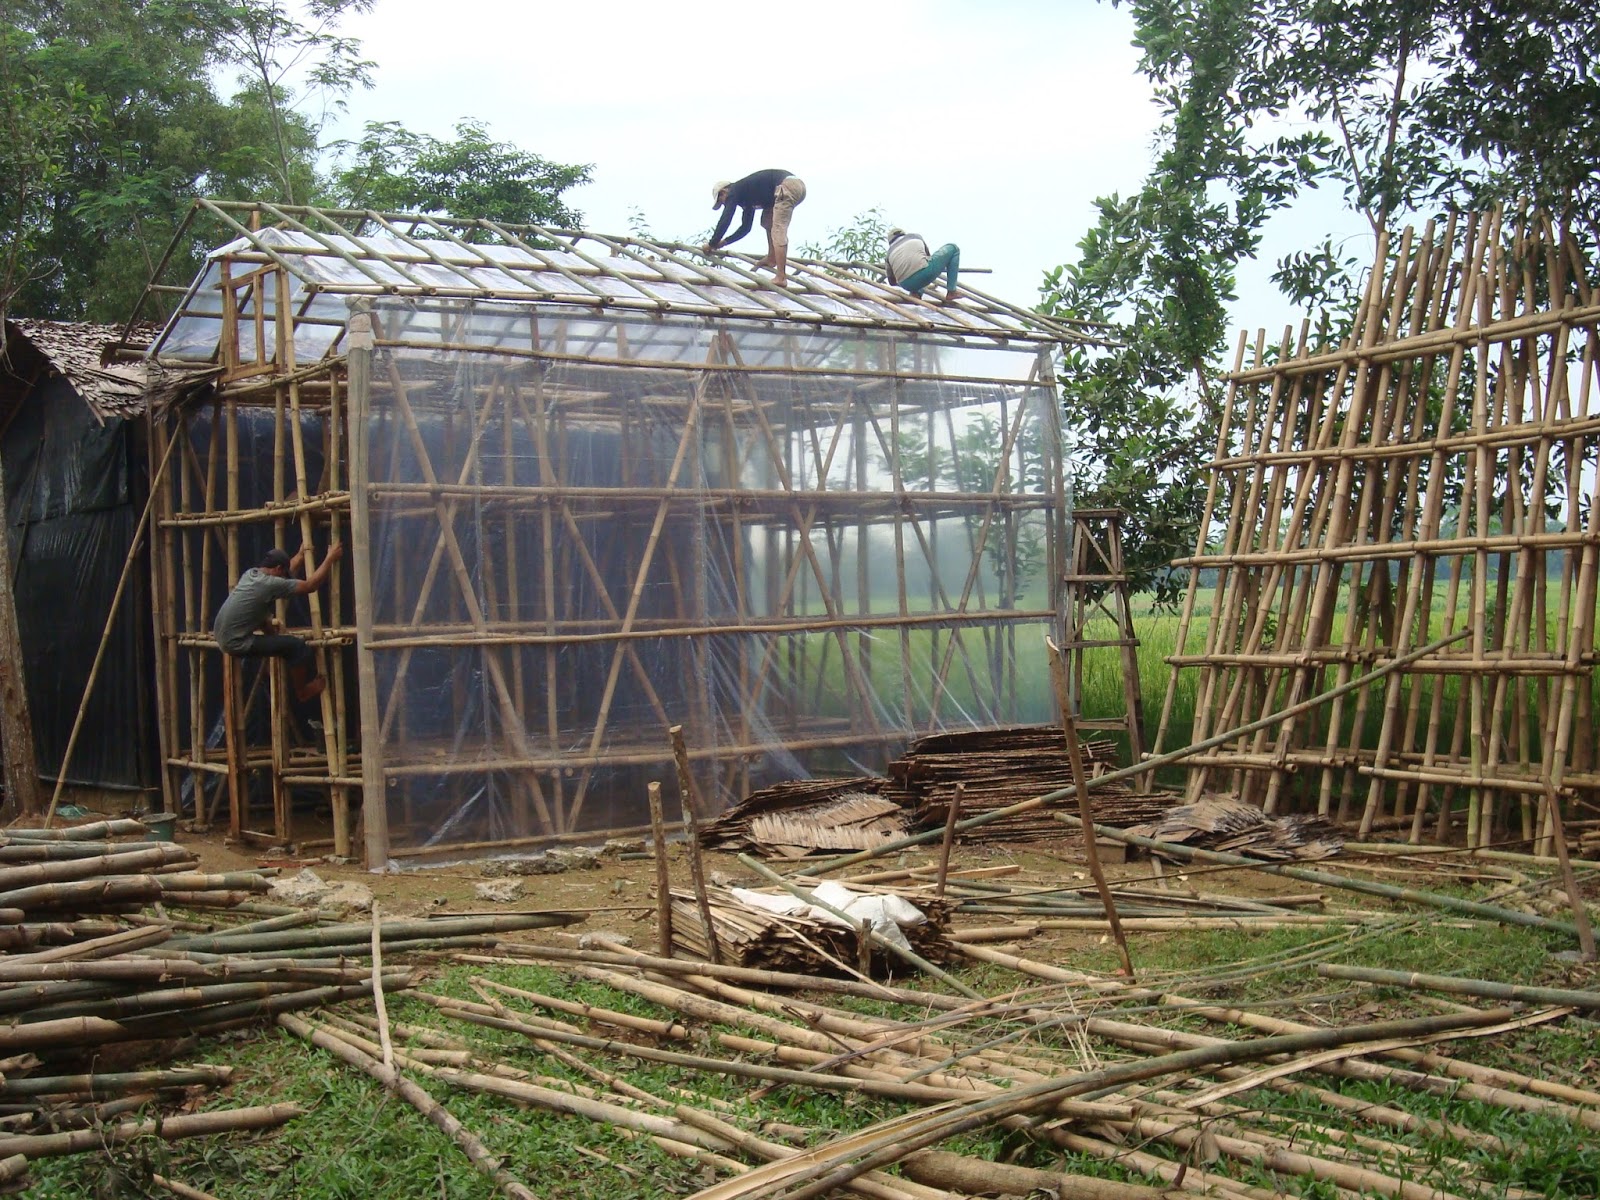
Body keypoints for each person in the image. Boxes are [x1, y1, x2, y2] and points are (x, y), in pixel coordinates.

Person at [213, 543, 344, 703]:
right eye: (283, 573)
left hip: (223, 633)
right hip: (236, 642)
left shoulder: (251, 574)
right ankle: (303, 691)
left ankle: (272, 647)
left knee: (267, 622)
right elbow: (310, 586)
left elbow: (284, 578)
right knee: (297, 647)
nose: (284, 577)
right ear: (277, 568)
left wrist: (300, 555)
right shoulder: (269, 585)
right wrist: (330, 559)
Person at [701, 169, 807, 286]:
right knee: (767, 222)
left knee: (778, 229)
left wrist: (712, 243)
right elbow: (745, 228)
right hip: (792, 186)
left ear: (723, 192)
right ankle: (772, 258)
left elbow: (726, 219)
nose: (725, 204)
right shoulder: (746, 197)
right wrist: (724, 242)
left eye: (722, 201)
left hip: (787, 186)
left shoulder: (734, 191)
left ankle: (781, 277)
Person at [885, 229, 961, 303]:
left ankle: (916, 293)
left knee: (917, 270)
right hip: (924, 273)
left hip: (906, 285)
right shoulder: (915, 236)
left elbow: (892, 282)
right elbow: (928, 257)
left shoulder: (888, 254)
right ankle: (951, 291)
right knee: (954, 248)